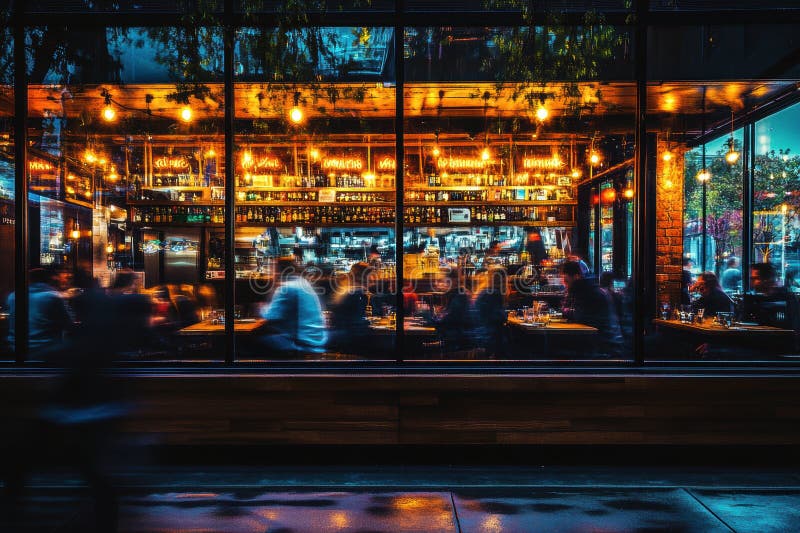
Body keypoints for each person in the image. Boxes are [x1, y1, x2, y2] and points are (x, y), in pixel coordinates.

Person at [257, 257, 327, 356]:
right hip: (316, 340)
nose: (273, 273)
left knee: (252, 341)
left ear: (279, 271)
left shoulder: (287, 288)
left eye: (274, 270)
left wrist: (260, 308)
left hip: (300, 343)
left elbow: (271, 316)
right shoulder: (304, 283)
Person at [561, 260, 622, 356]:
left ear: (576, 277)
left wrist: (566, 311)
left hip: (604, 345)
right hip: (603, 341)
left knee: (559, 350)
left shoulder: (588, 292)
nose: (564, 284)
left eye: (566, 281)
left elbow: (579, 316)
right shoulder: (585, 288)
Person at [6, 268, 72, 357]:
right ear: (49, 280)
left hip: (16, 346)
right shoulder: (53, 297)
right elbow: (68, 323)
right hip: (46, 347)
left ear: (29, 280)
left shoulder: (13, 296)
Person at [328, 262, 372, 353]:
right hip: (349, 337)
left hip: (342, 334)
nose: (371, 279)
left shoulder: (345, 289)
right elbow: (356, 321)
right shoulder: (357, 292)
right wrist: (367, 323)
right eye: (369, 276)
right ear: (363, 276)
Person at [740, 262, 799, 331]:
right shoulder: (753, 299)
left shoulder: (786, 298)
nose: (752, 282)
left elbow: (794, 326)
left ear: (766, 279)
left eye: (756, 278)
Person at [429, 268, 474, 351]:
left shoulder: (460, 296)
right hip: (455, 339)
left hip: (457, 344)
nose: (437, 284)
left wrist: (431, 317)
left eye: (441, 280)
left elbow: (450, 319)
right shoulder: (457, 293)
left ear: (452, 280)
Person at [474, 267, 508, 357]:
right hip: (487, 337)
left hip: (479, 334)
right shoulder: (494, 293)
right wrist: (505, 314)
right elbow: (499, 317)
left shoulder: (484, 291)